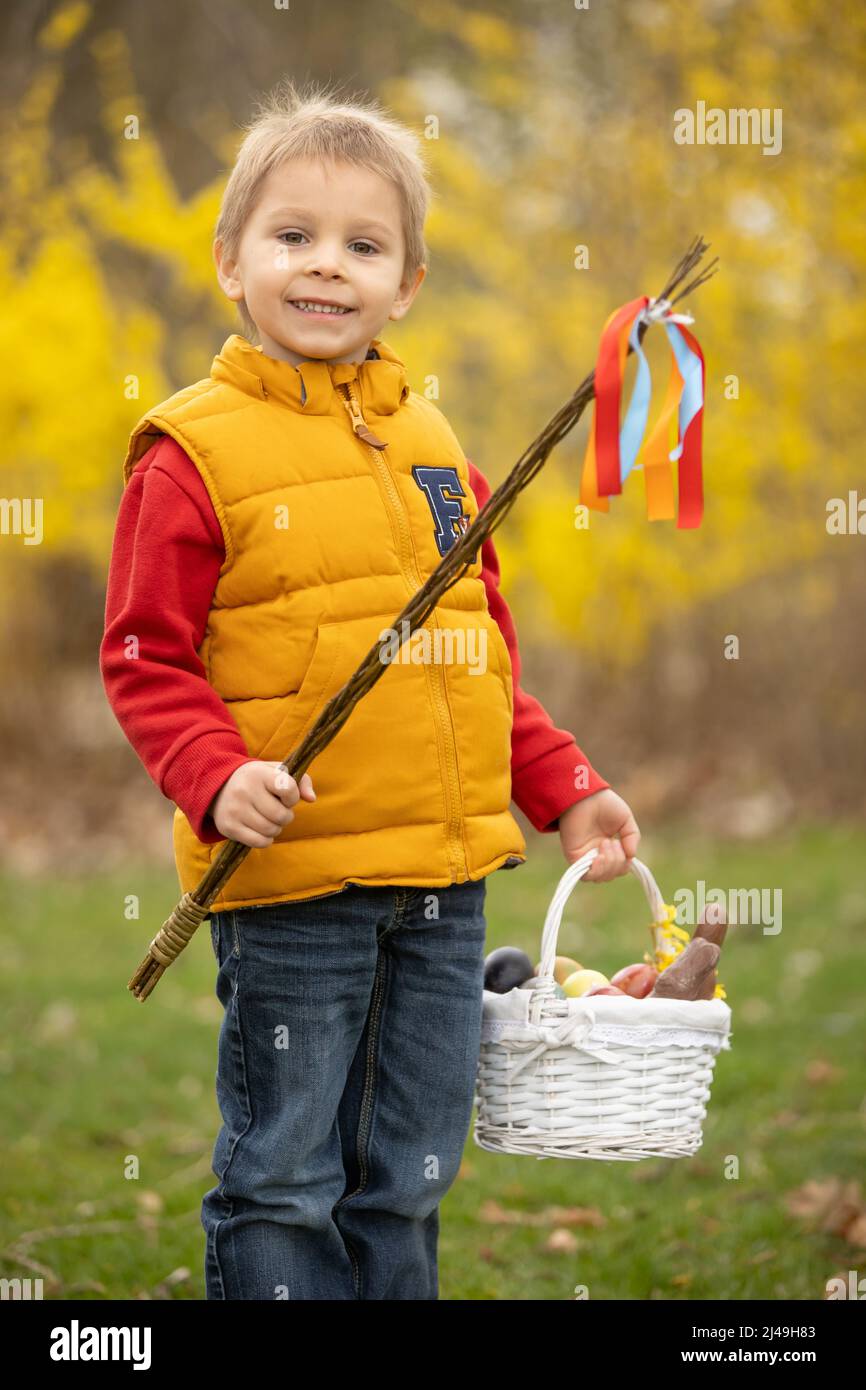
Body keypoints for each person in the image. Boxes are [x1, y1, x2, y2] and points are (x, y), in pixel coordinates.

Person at [100, 78, 640, 1300]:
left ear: (407, 284)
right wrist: (213, 775)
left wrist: (561, 786)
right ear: (230, 259)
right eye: (292, 236)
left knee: (406, 1171)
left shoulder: (434, 443)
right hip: (301, 884)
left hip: (444, 889)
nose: (326, 267)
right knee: (286, 1174)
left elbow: (475, 644)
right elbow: (145, 654)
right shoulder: (193, 453)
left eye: (362, 244)